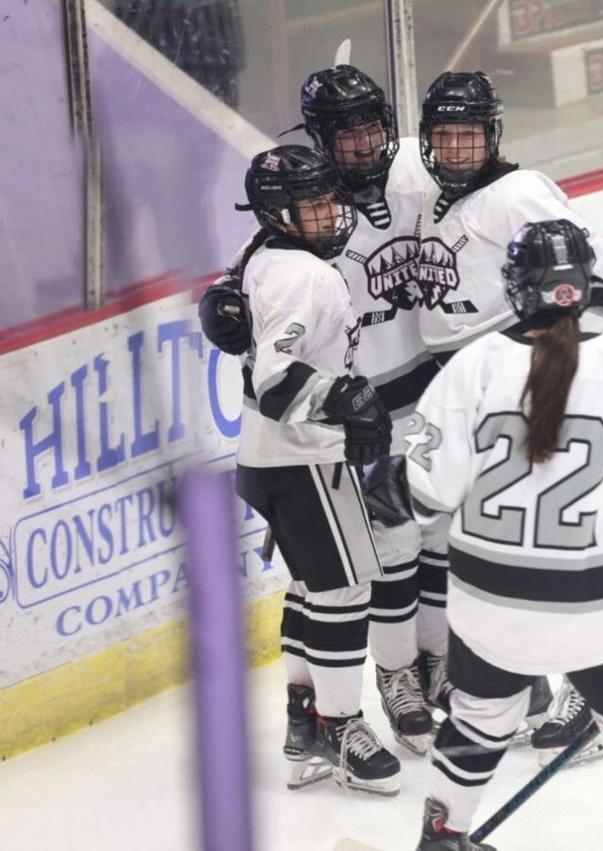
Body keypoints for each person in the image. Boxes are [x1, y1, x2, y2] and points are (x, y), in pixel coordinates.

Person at [367, 220, 603, 850]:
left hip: (490, 610)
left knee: (477, 720)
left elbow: (424, 494)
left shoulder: (472, 368)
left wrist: (386, 481)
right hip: (602, 607)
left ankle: (444, 834)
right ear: (584, 286)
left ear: (515, 288)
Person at [200, 64, 443, 755]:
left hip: (419, 394)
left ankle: (430, 665)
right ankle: (389, 682)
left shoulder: (416, 175)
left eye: (373, 126)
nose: (364, 143)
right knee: (362, 563)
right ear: (320, 138)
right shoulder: (306, 207)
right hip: (345, 421)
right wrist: (219, 297)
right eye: (347, 130)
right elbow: (259, 268)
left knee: (431, 542)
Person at [411, 70, 603, 763]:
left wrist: (572, 370)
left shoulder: (518, 193)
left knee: (548, 544)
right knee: (494, 547)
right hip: (473, 388)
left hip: (521, 384)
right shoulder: (445, 198)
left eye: (468, 134)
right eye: (443, 135)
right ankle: (526, 678)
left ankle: (590, 691)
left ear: (492, 135)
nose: (455, 146)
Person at [231, 145, 399, 795]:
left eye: (331, 199)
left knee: (312, 588)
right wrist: (345, 402)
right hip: (302, 455)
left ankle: (304, 724)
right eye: (315, 204)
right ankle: (341, 725)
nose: (331, 214)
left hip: (267, 456)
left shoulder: (263, 252)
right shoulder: (304, 275)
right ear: (278, 212)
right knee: (344, 591)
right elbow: (276, 380)